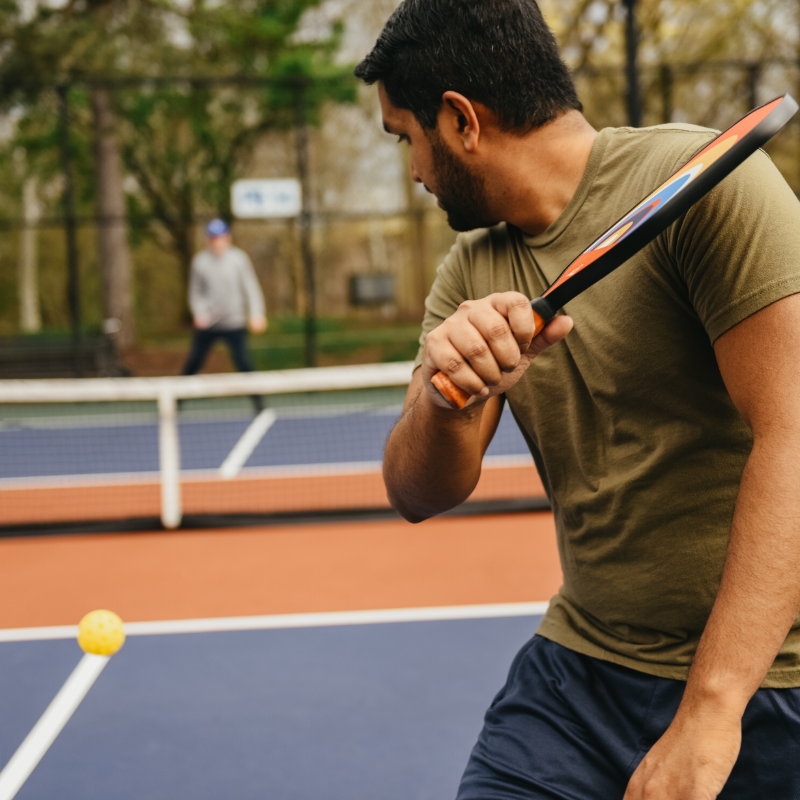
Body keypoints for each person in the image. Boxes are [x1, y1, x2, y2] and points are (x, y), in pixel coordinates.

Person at [355, 2, 800, 798]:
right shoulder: (472, 269)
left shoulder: (705, 186)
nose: (413, 169)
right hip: (579, 674)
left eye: (405, 137)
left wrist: (710, 709)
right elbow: (417, 492)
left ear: (459, 121)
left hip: (771, 681)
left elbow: (796, 434)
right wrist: (444, 399)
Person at [182, 219, 267, 409]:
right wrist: (199, 313)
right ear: (207, 240)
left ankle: (259, 402)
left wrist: (257, 314)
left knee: (243, 362)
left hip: (234, 323)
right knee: (194, 361)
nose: (217, 242)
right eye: (213, 238)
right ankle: (176, 400)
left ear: (227, 238)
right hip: (209, 324)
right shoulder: (199, 262)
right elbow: (195, 293)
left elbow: (251, 288)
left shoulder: (239, 259)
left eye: (220, 237)